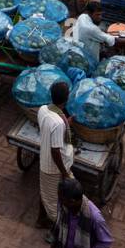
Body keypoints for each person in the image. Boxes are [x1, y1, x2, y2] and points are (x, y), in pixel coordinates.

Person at [36, 81, 75, 230]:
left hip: (46, 161)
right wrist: (64, 172)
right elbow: (55, 151)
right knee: (52, 201)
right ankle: (57, 228)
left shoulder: (43, 110)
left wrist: (67, 123)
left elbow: (51, 126)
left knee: (45, 192)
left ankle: (41, 219)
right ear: (66, 99)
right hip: (53, 168)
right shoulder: (58, 123)